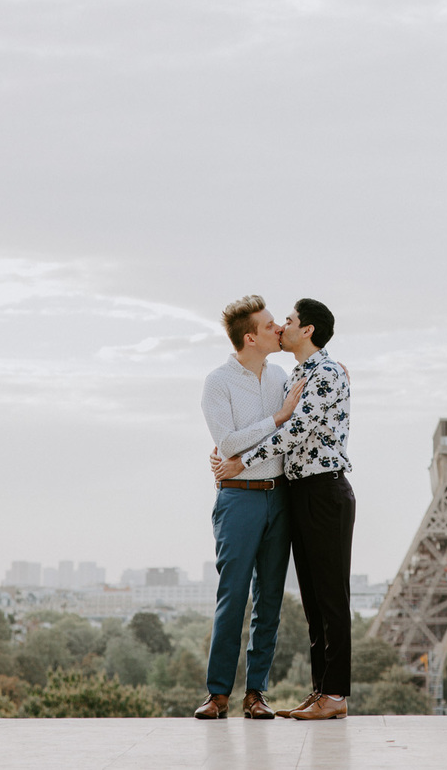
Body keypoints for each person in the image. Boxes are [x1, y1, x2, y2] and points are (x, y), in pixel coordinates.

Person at [212, 297, 354, 722]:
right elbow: (242, 434)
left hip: (322, 491)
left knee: (329, 597)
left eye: (287, 321)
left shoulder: (323, 373)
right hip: (296, 493)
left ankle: (335, 694)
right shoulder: (297, 373)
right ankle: (321, 691)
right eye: (275, 322)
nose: (281, 327)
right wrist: (233, 454)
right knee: (312, 599)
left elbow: (294, 433)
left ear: (306, 330)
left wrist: (240, 460)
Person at [195, 294, 305, 721]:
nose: (279, 328)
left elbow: (296, 423)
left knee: (270, 599)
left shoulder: (282, 374)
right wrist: (276, 419)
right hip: (238, 497)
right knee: (233, 596)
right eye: (270, 324)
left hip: (279, 495)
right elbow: (228, 444)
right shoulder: (217, 382)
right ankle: (218, 694)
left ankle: (256, 693)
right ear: (250, 337)